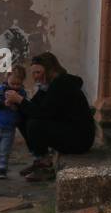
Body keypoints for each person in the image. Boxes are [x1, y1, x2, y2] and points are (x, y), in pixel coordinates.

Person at [6, 51, 95, 182]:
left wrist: (20, 100)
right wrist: (15, 104)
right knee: (21, 115)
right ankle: (39, 159)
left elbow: (42, 112)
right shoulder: (48, 86)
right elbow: (32, 106)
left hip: (79, 139)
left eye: (38, 73)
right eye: (33, 73)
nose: (35, 77)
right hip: (66, 130)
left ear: (50, 71)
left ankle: (46, 167)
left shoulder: (61, 84)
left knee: (35, 124)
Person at [0, 65, 27, 179]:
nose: (14, 87)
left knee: (5, 149)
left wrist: (17, 106)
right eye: (12, 83)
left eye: (18, 84)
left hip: (9, 126)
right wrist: (4, 104)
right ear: (7, 79)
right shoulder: (0, 90)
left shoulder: (22, 94)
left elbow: (24, 107)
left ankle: (2, 169)